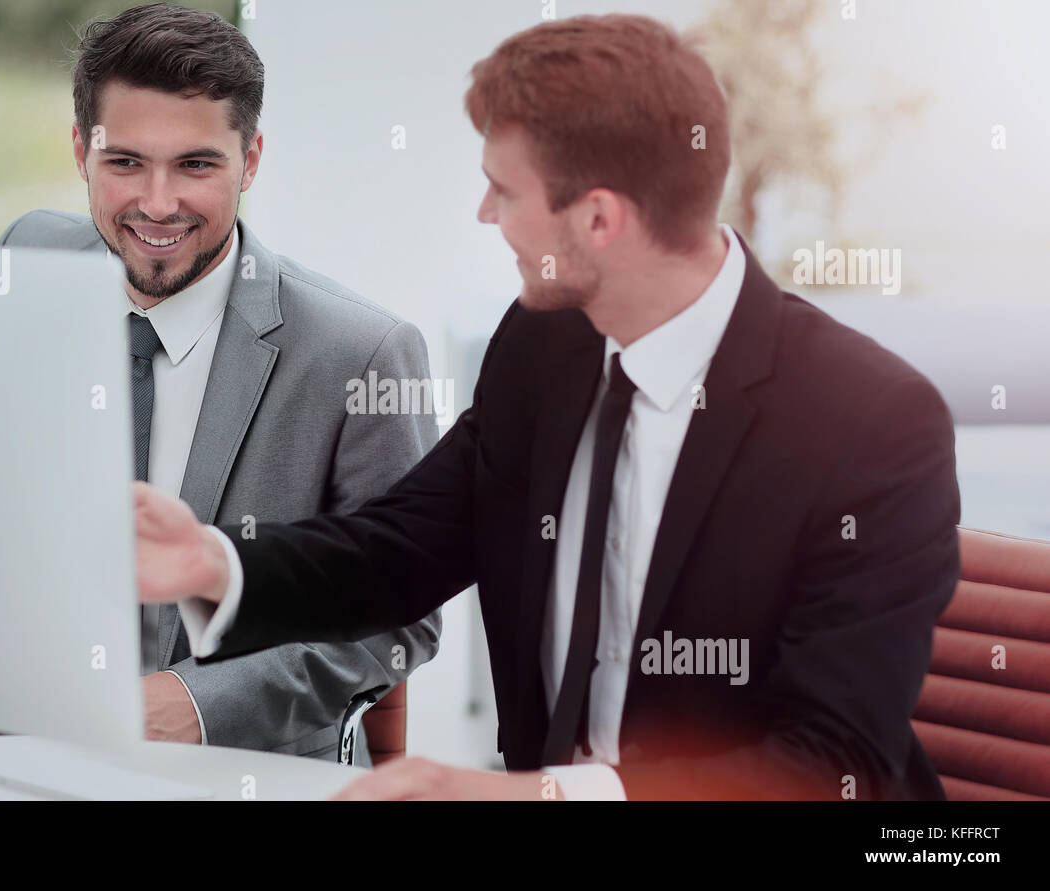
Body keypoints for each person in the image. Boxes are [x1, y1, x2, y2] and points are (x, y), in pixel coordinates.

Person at [133, 13, 960, 800]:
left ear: (598, 217)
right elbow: (401, 548)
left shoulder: (871, 423)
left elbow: (827, 762)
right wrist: (215, 564)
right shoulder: (546, 345)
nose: (486, 214)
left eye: (504, 190)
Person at [1, 3, 440, 762]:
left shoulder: (363, 352)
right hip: (25, 749)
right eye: (125, 162)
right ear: (81, 151)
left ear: (252, 159)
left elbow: (401, 614)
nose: (159, 203)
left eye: (197, 164)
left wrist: (198, 704)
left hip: (234, 771)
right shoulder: (28, 256)